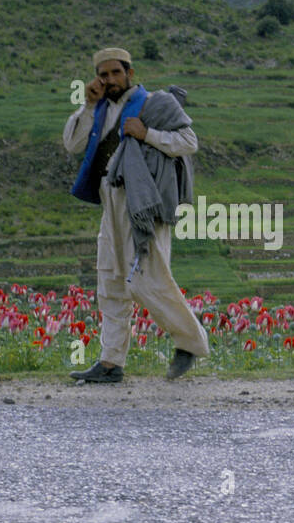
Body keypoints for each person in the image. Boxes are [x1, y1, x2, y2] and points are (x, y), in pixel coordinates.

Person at [62, 46, 210, 382]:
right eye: (103, 74)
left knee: (147, 280)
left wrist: (147, 135)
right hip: (109, 201)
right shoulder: (98, 109)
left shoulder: (155, 102)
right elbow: (72, 144)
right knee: (110, 282)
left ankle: (191, 343)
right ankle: (111, 363)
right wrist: (87, 105)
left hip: (142, 202)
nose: (110, 79)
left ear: (130, 72)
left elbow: (188, 140)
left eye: (116, 72)